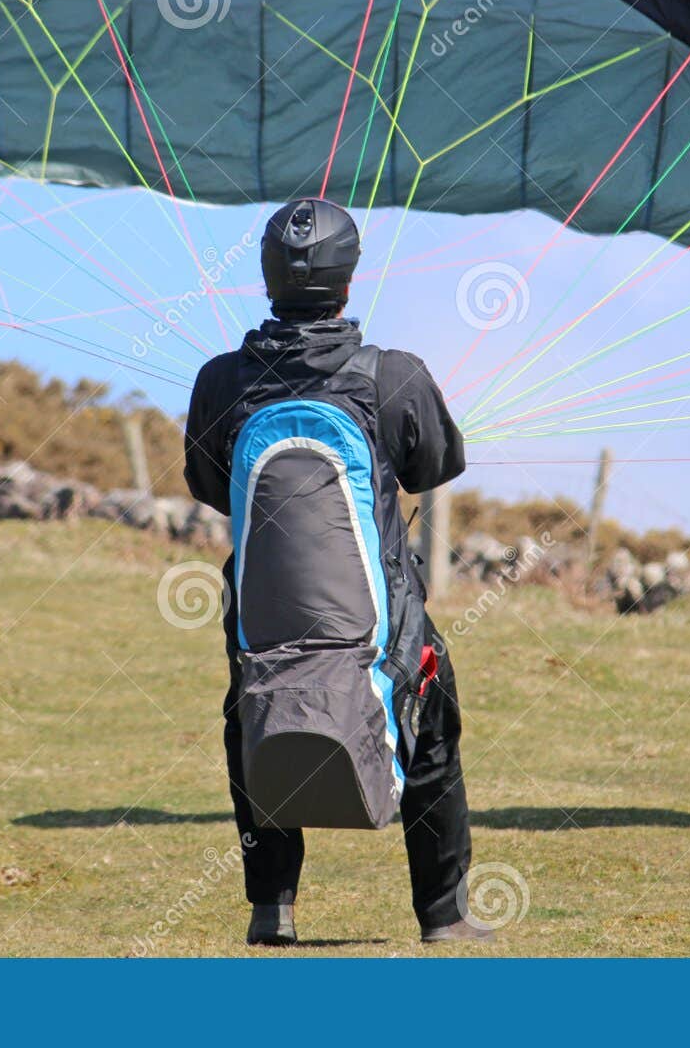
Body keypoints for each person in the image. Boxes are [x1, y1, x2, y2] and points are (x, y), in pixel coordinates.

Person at [183, 197, 488, 946]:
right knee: (432, 723)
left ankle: (271, 908)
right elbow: (438, 463)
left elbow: (205, 482)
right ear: (349, 281)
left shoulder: (221, 382)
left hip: (262, 619)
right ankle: (443, 915)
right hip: (379, 618)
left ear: (266, 278)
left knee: (252, 718)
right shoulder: (392, 376)